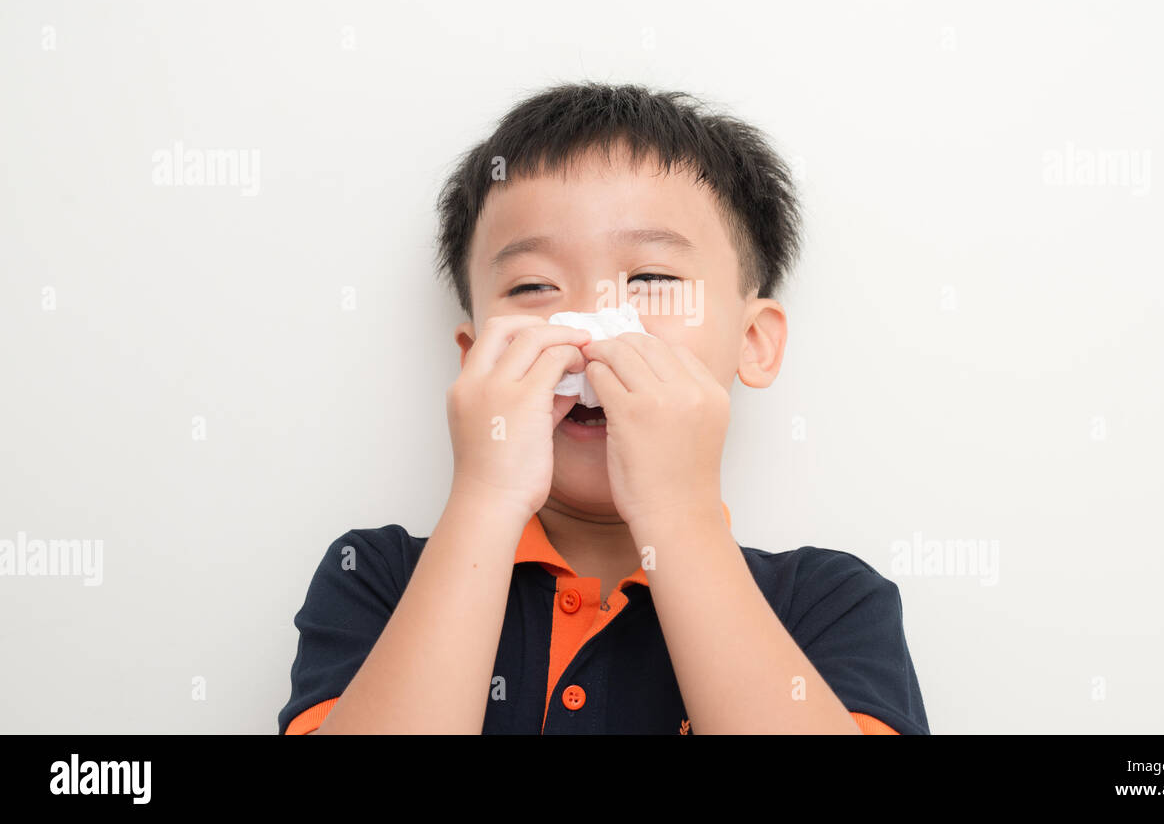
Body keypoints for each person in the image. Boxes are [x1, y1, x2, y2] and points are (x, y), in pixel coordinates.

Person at [277, 82, 929, 734]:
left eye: (650, 280)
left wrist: (679, 513)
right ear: (475, 360)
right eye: (534, 286)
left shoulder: (829, 601)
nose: (590, 329)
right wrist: (486, 493)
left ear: (752, 342)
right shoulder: (378, 579)